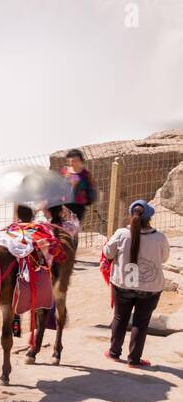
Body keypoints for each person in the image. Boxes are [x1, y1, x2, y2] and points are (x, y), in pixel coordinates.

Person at [104, 200, 170, 367]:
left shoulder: (120, 234)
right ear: (149, 218)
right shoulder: (159, 237)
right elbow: (164, 258)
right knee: (141, 322)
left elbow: (108, 252)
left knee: (120, 317)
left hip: (122, 284)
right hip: (150, 288)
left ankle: (114, 353)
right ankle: (134, 359)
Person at [59, 149, 96, 224]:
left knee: (74, 227)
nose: (73, 163)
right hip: (64, 204)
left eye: (75, 160)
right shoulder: (65, 171)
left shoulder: (85, 174)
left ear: (81, 161)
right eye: (71, 161)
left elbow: (90, 189)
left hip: (79, 205)